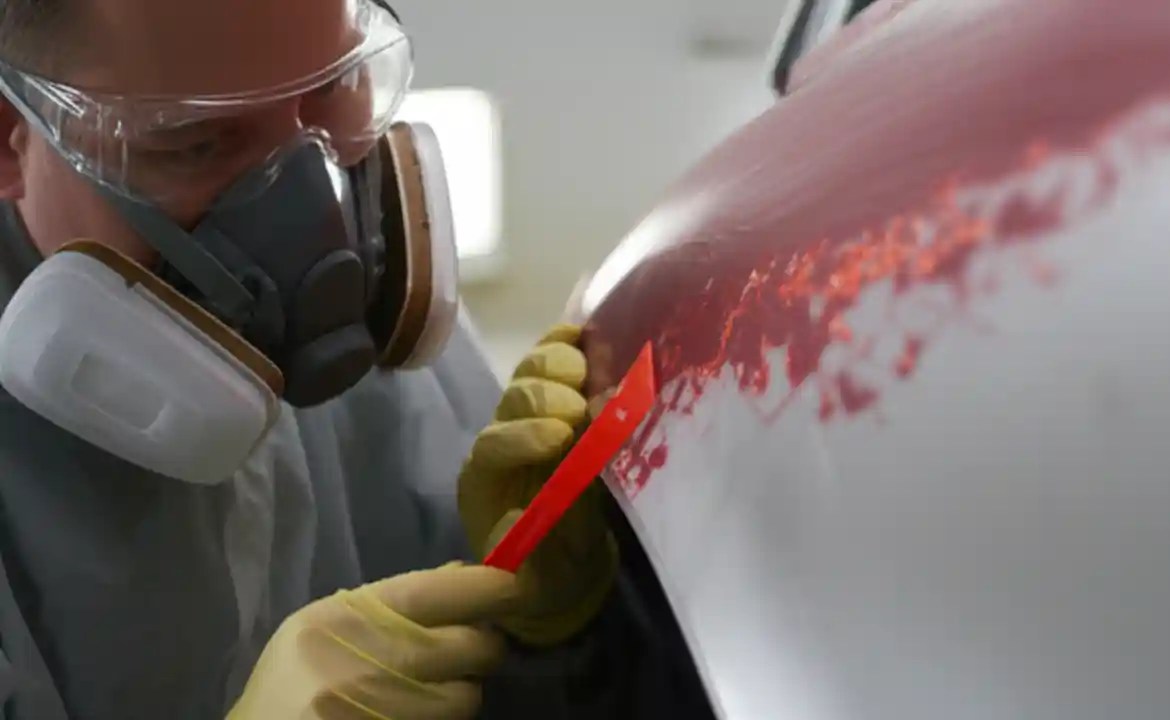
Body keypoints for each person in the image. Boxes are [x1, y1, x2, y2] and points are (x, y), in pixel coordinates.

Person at [0, 0, 714, 718]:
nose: (317, 214)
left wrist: (544, 629)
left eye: (333, 93)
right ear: (9, 140)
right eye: (196, 143)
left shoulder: (371, 318)